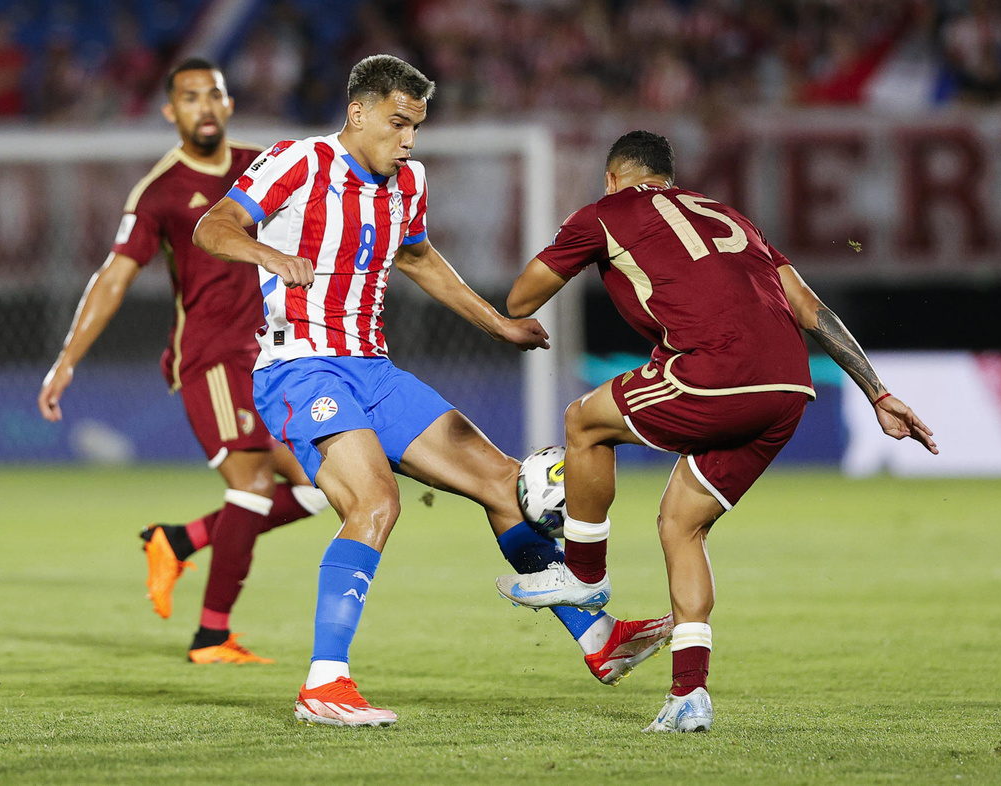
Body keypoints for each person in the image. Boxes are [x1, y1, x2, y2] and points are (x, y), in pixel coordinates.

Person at [193, 54, 673, 728]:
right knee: (375, 502)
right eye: (397, 123)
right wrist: (267, 254)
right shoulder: (297, 162)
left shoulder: (409, 181)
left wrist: (497, 324)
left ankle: (598, 639)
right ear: (358, 113)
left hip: (373, 369)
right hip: (300, 368)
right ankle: (323, 684)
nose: (409, 140)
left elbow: (418, 257)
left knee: (507, 485)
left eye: (416, 126)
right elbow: (213, 226)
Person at [496, 130, 938, 732]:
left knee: (583, 421)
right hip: (789, 388)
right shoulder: (732, 218)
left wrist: (583, 248)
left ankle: (584, 574)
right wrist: (878, 392)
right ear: (669, 179)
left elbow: (521, 300)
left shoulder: (604, 213)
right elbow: (812, 309)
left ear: (612, 178)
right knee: (682, 524)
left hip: (716, 371)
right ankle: (689, 695)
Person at [38, 58, 329, 665]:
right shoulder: (161, 190)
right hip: (211, 357)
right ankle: (212, 637)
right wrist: (66, 360)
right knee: (252, 485)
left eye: (213, 95)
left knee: (319, 486)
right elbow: (114, 277)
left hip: (271, 355)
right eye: (190, 97)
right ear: (171, 111)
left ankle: (177, 542)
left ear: (228, 103)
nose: (204, 107)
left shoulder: (262, 166)